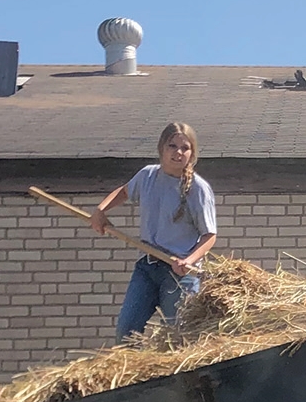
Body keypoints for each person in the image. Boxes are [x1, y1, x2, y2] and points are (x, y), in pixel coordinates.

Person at [90, 121, 218, 338]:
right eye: (172, 146)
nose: (178, 153)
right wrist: (100, 210)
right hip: (147, 268)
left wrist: (188, 261)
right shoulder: (147, 176)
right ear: (161, 148)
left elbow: (209, 236)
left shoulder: (198, 189)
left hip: (179, 274)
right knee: (126, 332)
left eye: (185, 148)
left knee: (179, 338)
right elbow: (124, 192)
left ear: (192, 153)